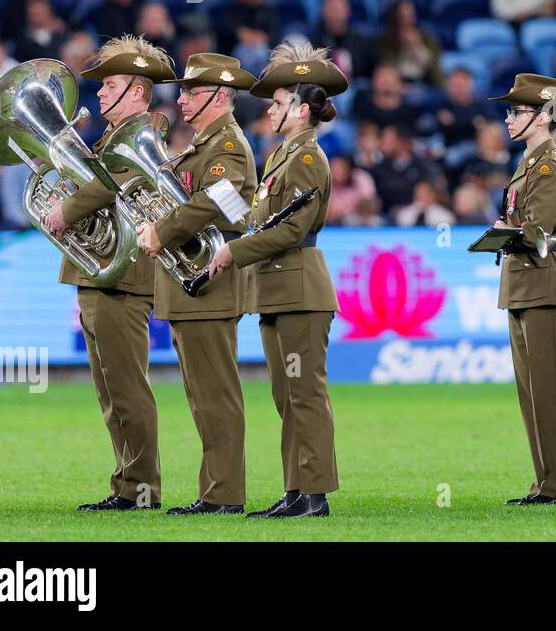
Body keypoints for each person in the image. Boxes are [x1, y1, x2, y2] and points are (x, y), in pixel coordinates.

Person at [208, 44, 348, 518]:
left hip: (299, 290)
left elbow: (289, 230)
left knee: (305, 393)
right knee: (286, 396)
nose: (270, 108)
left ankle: (315, 494)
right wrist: (219, 203)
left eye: (278, 101)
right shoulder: (283, 157)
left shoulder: (307, 158)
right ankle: (296, 490)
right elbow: (259, 219)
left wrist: (233, 250)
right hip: (279, 290)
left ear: (301, 109)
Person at [43, 36, 175, 512]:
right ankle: (126, 485)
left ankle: (142, 490)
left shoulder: (146, 135)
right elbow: (97, 178)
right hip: (98, 274)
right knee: (109, 392)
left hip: (124, 277)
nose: (99, 92)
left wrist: (69, 207)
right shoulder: (108, 139)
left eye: (111, 85)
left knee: (126, 388)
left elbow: (116, 182)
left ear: (138, 92)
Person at [135, 53, 257, 515]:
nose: (182, 100)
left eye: (192, 93)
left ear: (221, 97)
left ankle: (223, 495)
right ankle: (216, 491)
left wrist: (161, 230)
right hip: (193, 280)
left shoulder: (226, 146)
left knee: (215, 394)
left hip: (211, 280)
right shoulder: (204, 144)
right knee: (203, 395)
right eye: (183, 92)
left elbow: (212, 202)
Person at [488, 74, 556, 505]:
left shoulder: (547, 164)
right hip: (525, 285)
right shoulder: (530, 162)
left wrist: (504, 233)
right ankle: (544, 482)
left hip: (542, 284)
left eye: (518, 112)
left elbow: (538, 230)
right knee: (530, 393)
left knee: (547, 392)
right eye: (509, 111)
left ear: (543, 117)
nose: (509, 119)